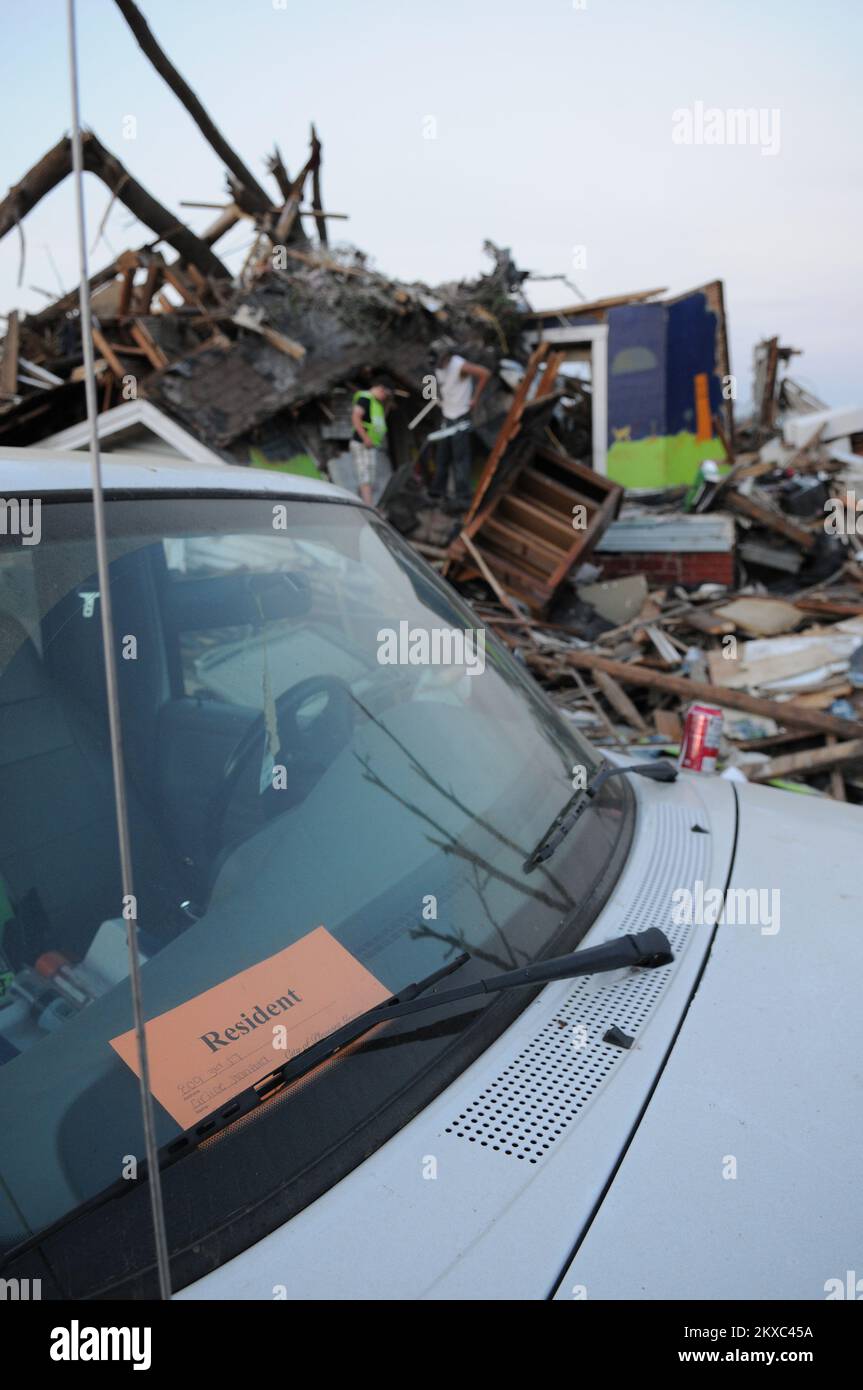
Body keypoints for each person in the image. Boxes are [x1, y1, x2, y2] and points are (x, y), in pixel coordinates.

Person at [428, 337, 491, 512]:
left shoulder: (459, 365)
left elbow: (485, 373)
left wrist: (474, 399)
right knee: (442, 457)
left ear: (446, 356)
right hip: (447, 416)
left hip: (460, 417)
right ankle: (436, 493)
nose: (438, 366)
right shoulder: (438, 367)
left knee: (460, 459)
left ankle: (463, 498)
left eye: (440, 362)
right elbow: (442, 384)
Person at [350, 380, 392, 506]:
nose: (385, 398)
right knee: (365, 477)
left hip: (370, 445)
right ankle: (369, 507)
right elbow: (355, 417)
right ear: (380, 388)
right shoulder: (365, 398)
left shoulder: (375, 403)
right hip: (361, 443)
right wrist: (365, 438)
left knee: (369, 478)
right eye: (385, 394)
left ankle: (365, 504)